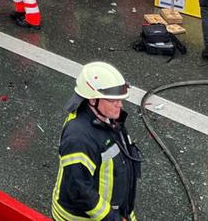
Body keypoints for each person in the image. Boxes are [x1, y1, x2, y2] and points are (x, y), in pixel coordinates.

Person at [52, 61, 141, 221]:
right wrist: (113, 218)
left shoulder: (108, 118)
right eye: (113, 100)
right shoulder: (78, 137)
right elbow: (79, 189)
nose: (119, 105)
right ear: (92, 100)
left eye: (120, 99)